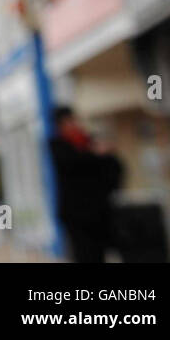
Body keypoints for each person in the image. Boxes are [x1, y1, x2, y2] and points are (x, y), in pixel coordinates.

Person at [48, 106, 123, 262]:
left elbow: (113, 166)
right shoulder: (58, 144)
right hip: (76, 215)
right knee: (83, 253)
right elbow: (71, 164)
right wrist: (95, 154)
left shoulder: (89, 140)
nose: (74, 124)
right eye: (68, 122)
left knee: (99, 253)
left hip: (99, 211)